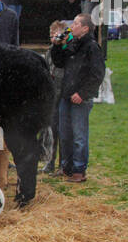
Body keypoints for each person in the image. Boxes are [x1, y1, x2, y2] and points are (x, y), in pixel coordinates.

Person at [48, 13, 106, 182]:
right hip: (67, 95)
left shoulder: (92, 47)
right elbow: (59, 62)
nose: (71, 26)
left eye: (75, 24)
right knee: (65, 134)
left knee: (79, 135)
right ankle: (66, 168)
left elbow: (97, 74)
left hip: (80, 97)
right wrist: (58, 46)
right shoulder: (73, 44)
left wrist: (82, 94)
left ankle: (79, 170)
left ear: (85, 28)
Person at [42, 20, 68, 174]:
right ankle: (50, 163)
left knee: (63, 131)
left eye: (55, 34)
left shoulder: (66, 50)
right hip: (52, 96)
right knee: (51, 130)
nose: (52, 37)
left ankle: (63, 165)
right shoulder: (50, 50)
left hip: (63, 94)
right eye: (51, 34)